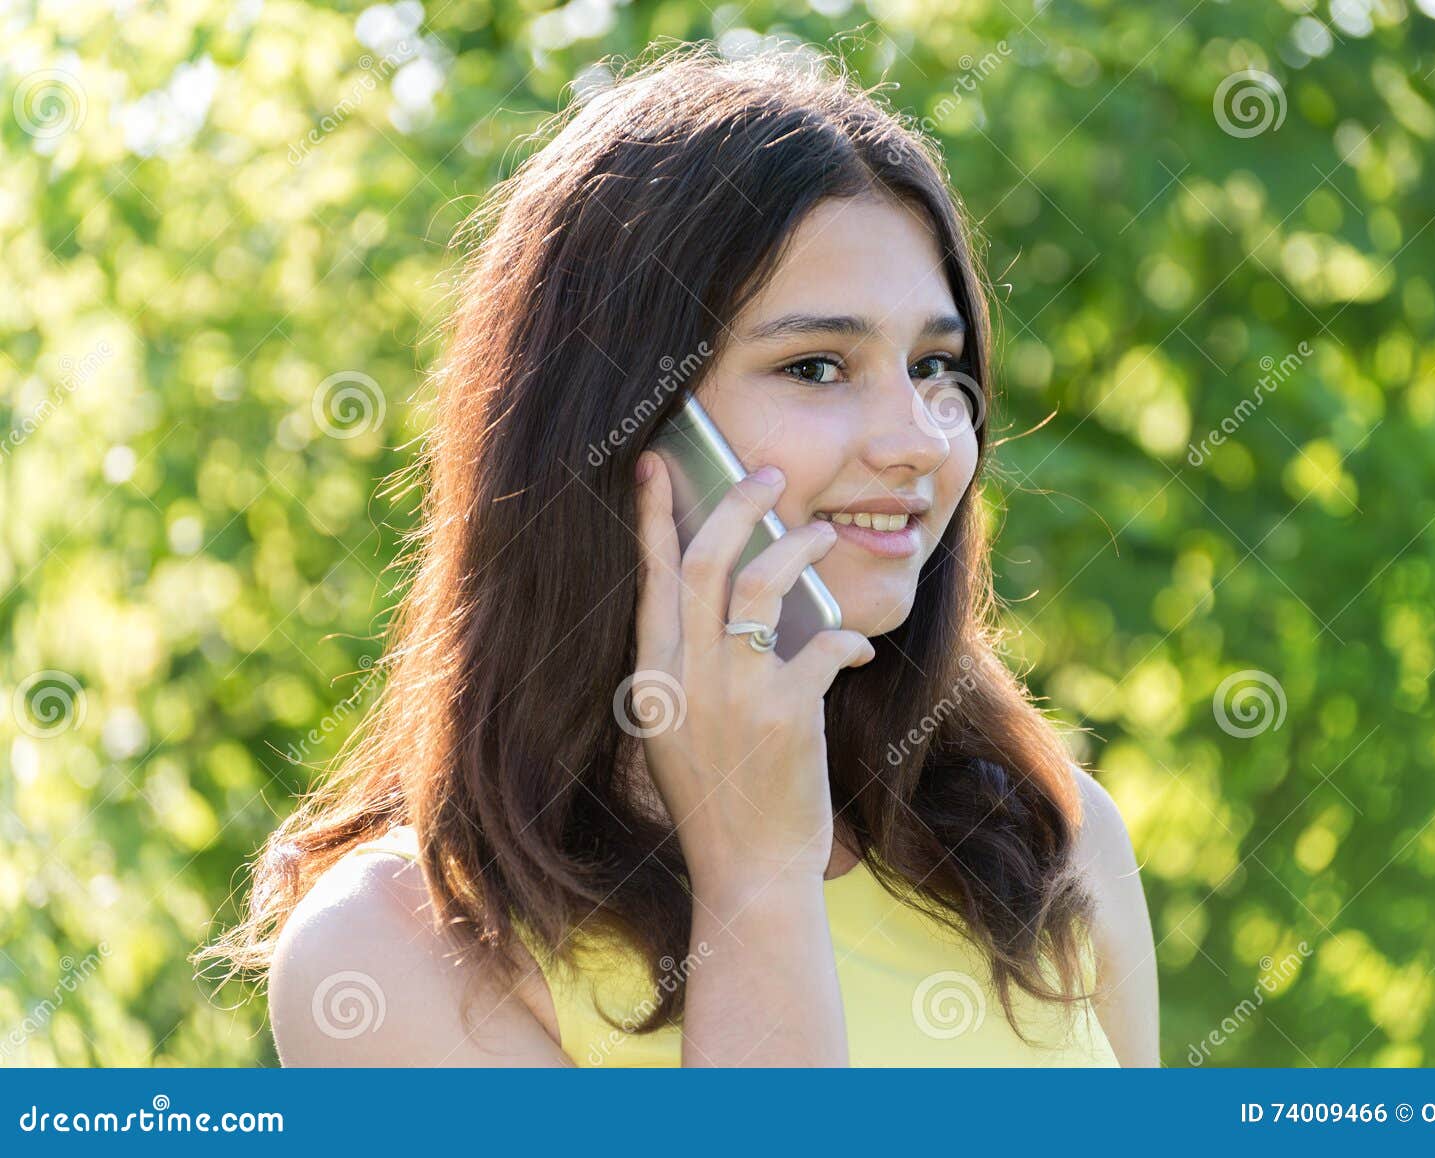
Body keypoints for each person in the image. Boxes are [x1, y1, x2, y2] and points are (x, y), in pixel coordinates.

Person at [201, 42, 1159, 1067]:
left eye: (934, 365)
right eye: (816, 366)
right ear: (620, 427)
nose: (921, 437)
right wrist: (756, 881)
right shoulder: (392, 952)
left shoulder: (1041, 836)